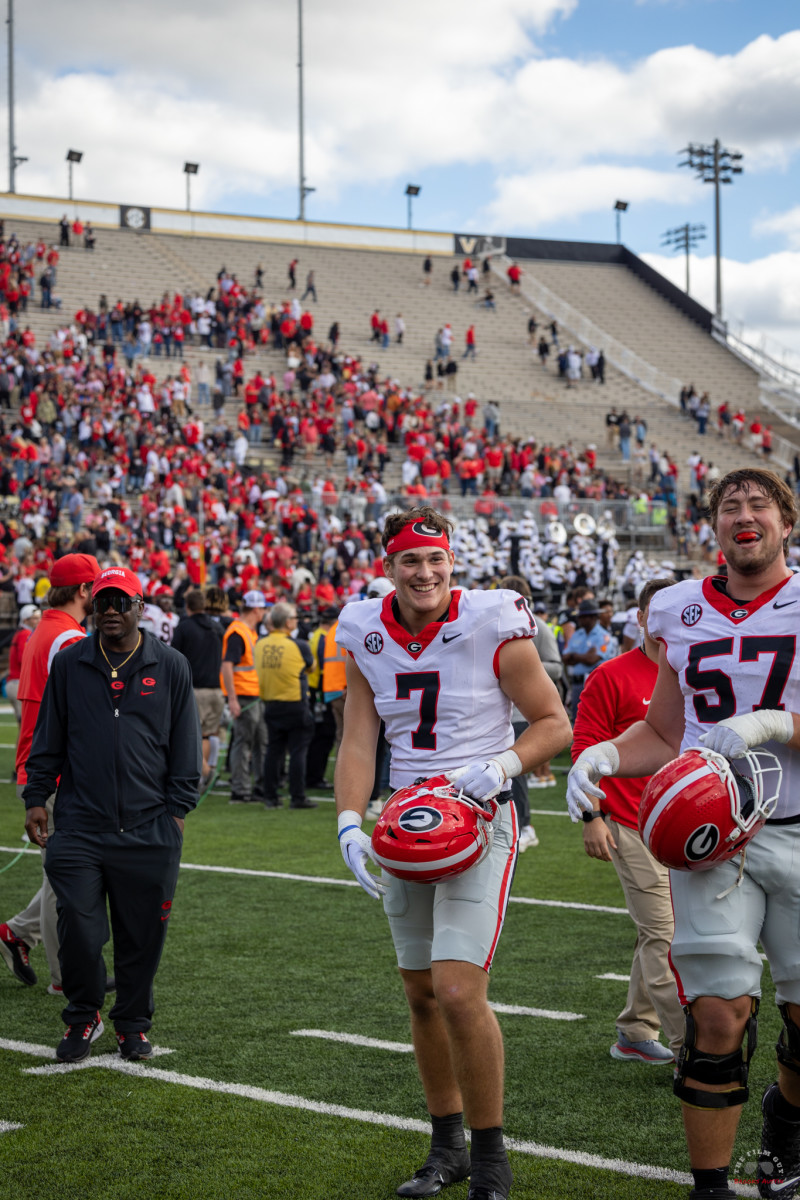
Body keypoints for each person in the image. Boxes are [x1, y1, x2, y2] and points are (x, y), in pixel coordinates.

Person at [566, 467, 800, 1200]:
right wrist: (604, 757)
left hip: (799, 829)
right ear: (714, 526)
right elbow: (665, 731)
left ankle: (785, 1125)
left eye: (759, 503)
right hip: (712, 844)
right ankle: (708, 1189)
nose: (744, 513)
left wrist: (774, 725)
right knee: (716, 1013)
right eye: (730, 505)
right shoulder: (676, 608)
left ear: (786, 522)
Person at [335, 506, 571, 1200]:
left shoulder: (495, 619)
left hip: (478, 816)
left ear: (452, 563)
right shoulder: (364, 629)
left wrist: (499, 769)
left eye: (436, 559)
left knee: (460, 990)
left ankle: (491, 1156)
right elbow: (358, 737)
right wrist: (350, 820)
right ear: (388, 567)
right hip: (405, 824)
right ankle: (447, 1146)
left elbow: (554, 723)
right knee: (419, 992)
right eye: (411, 560)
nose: (425, 573)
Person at [23, 565, 201, 1063]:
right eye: (102, 603)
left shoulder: (170, 665)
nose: (110, 612)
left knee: (142, 935)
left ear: (141, 607)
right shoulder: (71, 662)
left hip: (150, 826)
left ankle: (132, 1024)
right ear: (92, 608)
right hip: (79, 824)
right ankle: (83, 1016)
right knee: (78, 927)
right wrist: (37, 797)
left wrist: (176, 812)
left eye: (121, 602)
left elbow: (185, 746)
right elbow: (49, 737)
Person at [571, 578, 684, 1066]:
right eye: (654, 615)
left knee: (657, 931)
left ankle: (635, 1030)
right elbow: (584, 748)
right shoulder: (611, 675)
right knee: (664, 933)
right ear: (640, 619)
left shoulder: (693, 667)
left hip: (687, 827)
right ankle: (693, 1048)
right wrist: (593, 817)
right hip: (630, 823)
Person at [0, 554, 101, 993]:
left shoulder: (48, 629)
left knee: (62, 873)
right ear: (84, 591)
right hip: (55, 770)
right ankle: (67, 978)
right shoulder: (67, 637)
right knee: (66, 876)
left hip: (43, 765)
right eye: (97, 589)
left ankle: (17, 934)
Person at [254, 601, 316, 810]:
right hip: (295, 703)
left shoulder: (260, 643)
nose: (296, 621)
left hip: (270, 703)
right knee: (298, 752)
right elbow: (311, 666)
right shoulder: (298, 644)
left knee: (274, 751)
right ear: (288, 622)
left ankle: (270, 796)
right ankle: (297, 796)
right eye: (294, 618)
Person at [171, 588, 224, 790]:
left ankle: (205, 772)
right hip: (216, 690)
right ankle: (204, 774)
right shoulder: (217, 628)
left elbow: (174, 657)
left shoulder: (184, 627)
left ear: (188, 606)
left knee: (191, 735)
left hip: (195, 689)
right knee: (207, 734)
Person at [220, 591, 268, 804]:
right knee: (244, 742)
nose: (265, 612)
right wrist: (232, 699)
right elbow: (227, 665)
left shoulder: (248, 631)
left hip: (254, 695)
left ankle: (259, 785)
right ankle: (240, 789)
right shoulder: (238, 632)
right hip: (244, 695)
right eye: (263, 608)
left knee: (260, 742)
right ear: (256, 610)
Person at [562, 598, 614, 721]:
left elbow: (593, 659)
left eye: (583, 617)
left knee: (595, 720)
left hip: (595, 684)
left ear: (593, 617)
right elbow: (565, 658)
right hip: (577, 684)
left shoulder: (603, 636)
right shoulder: (577, 634)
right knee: (577, 720)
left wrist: (574, 656)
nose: (579, 619)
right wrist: (584, 656)